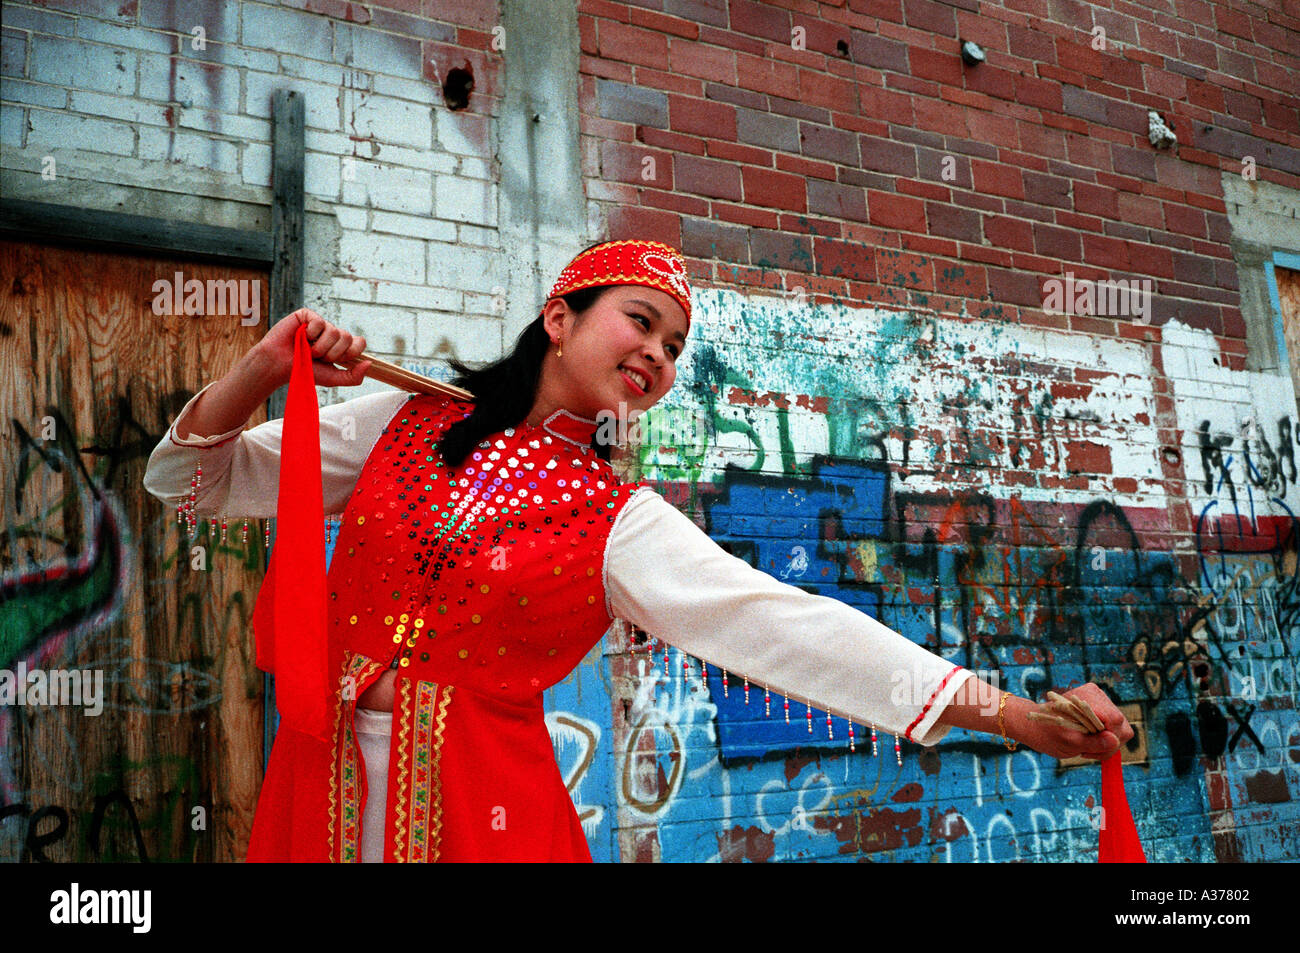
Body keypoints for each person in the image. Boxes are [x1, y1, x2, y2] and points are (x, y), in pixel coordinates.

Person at [143, 239, 1134, 862]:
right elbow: (193, 479)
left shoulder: (620, 517)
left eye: (673, 348)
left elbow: (788, 626)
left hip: (488, 809)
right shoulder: (408, 416)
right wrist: (265, 365)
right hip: (315, 781)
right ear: (558, 317)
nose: (658, 355)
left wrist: (1006, 713)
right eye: (641, 321)